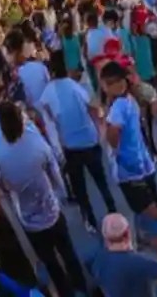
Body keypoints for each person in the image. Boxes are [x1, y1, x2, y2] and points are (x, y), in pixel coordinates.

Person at [0, 101, 88, 296]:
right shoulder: (36, 142)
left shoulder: (1, 156)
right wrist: (60, 193)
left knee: (50, 261)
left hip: (29, 219)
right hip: (51, 209)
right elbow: (54, 172)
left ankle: (65, 291)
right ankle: (81, 286)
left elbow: (4, 186)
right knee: (67, 251)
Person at [100, 60, 157, 264]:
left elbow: (113, 134)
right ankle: (144, 241)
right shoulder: (129, 99)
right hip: (143, 165)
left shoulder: (118, 107)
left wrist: (116, 151)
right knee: (146, 208)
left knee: (153, 216)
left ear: (113, 83)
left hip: (130, 171)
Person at [39, 49, 117, 234]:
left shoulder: (48, 92)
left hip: (70, 146)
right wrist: (99, 129)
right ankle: (112, 210)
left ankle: (89, 220)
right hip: (89, 140)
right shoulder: (75, 86)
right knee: (101, 180)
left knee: (80, 187)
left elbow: (48, 117)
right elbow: (92, 107)